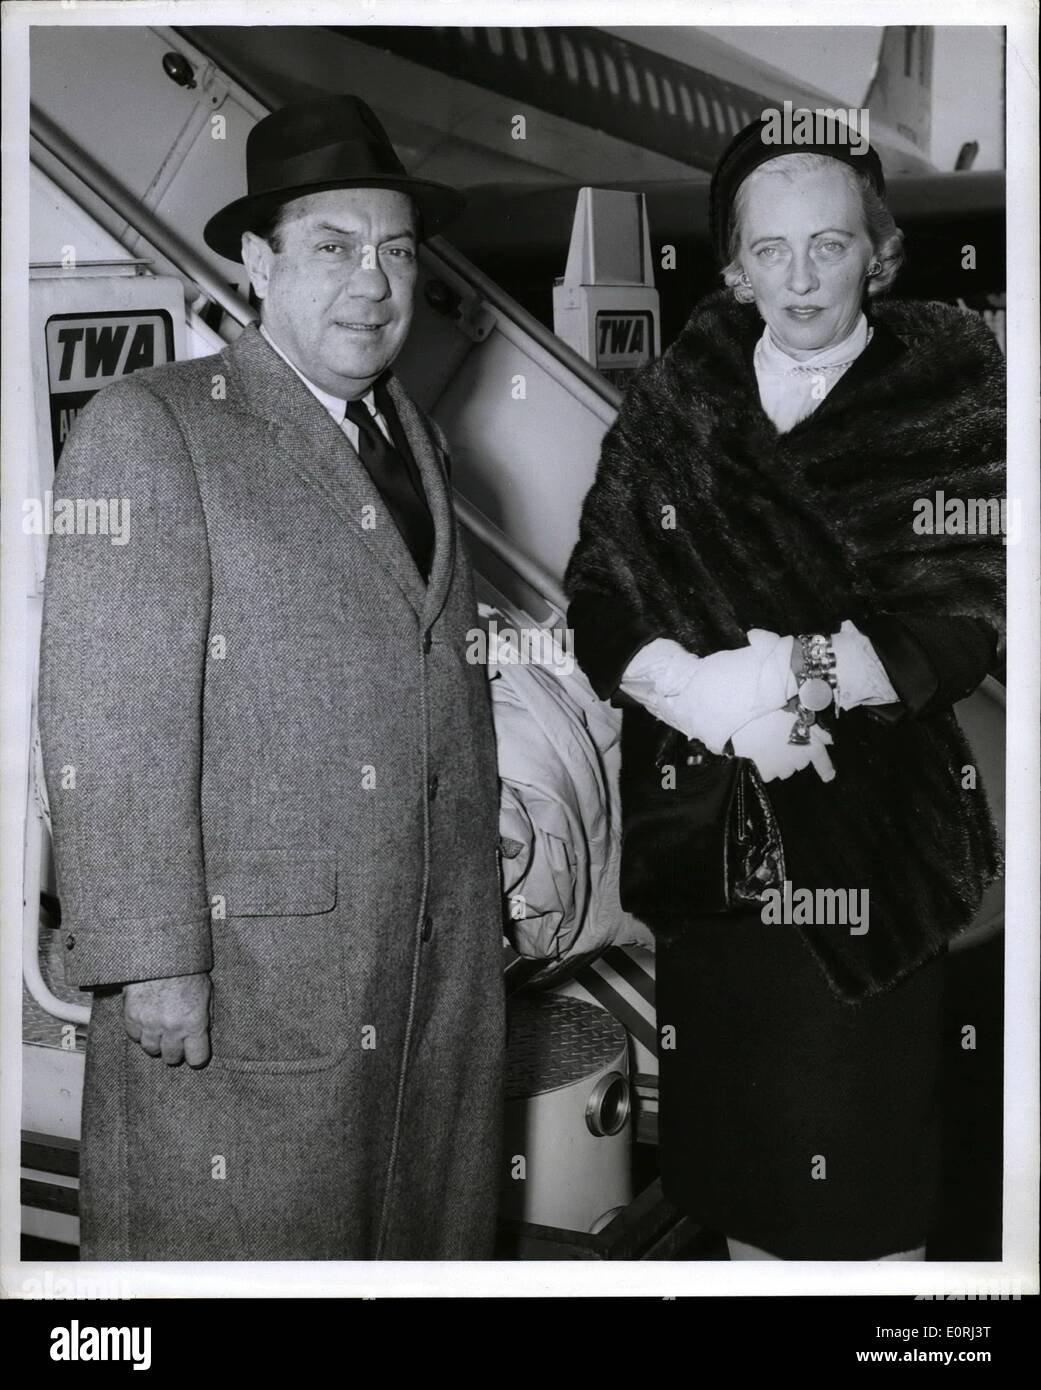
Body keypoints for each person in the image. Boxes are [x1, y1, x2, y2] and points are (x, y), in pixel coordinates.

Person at [38, 95, 505, 1260]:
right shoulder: (157, 427)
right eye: (334, 249)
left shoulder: (417, 439)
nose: (374, 284)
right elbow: (109, 711)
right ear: (255, 262)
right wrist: (153, 960)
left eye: (396, 252)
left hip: (424, 978)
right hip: (252, 993)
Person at [564, 114, 1005, 1260]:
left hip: (868, 856)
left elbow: (964, 612)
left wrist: (792, 674)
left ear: (880, 252)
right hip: (711, 864)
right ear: (734, 265)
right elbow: (599, 596)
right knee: (739, 1183)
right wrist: (707, 698)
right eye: (772, 250)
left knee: (863, 1202)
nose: (801, 277)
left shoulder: (954, 393)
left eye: (830, 245)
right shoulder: (678, 398)